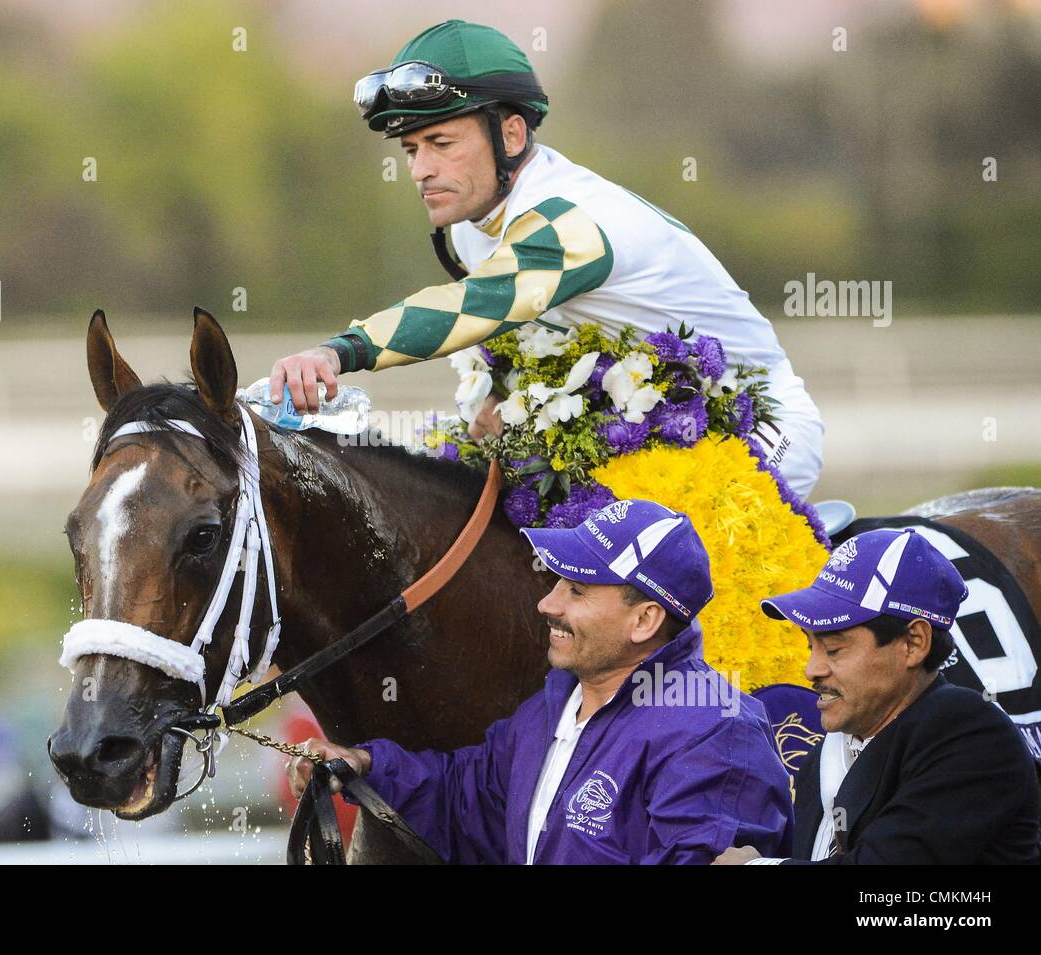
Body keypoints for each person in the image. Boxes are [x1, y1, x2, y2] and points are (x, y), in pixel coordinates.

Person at [269, 19, 824, 497]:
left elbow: (480, 305)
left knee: (635, 587)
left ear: (511, 134)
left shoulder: (573, 220)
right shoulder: (472, 224)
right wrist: (499, 393)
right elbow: (530, 334)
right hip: (648, 427)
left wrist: (342, 351)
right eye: (411, 150)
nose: (420, 170)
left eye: (442, 143)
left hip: (755, 425)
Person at [287, 499, 793, 863]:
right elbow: (470, 799)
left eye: (576, 590)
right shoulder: (553, 706)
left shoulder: (716, 733)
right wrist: (365, 765)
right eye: (556, 584)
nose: (547, 604)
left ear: (645, 620)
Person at [715, 529, 1040, 864]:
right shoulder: (821, 758)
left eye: (835, 649)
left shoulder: (974, 739)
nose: (811, 669)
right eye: (810, 646)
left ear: (914, 643)